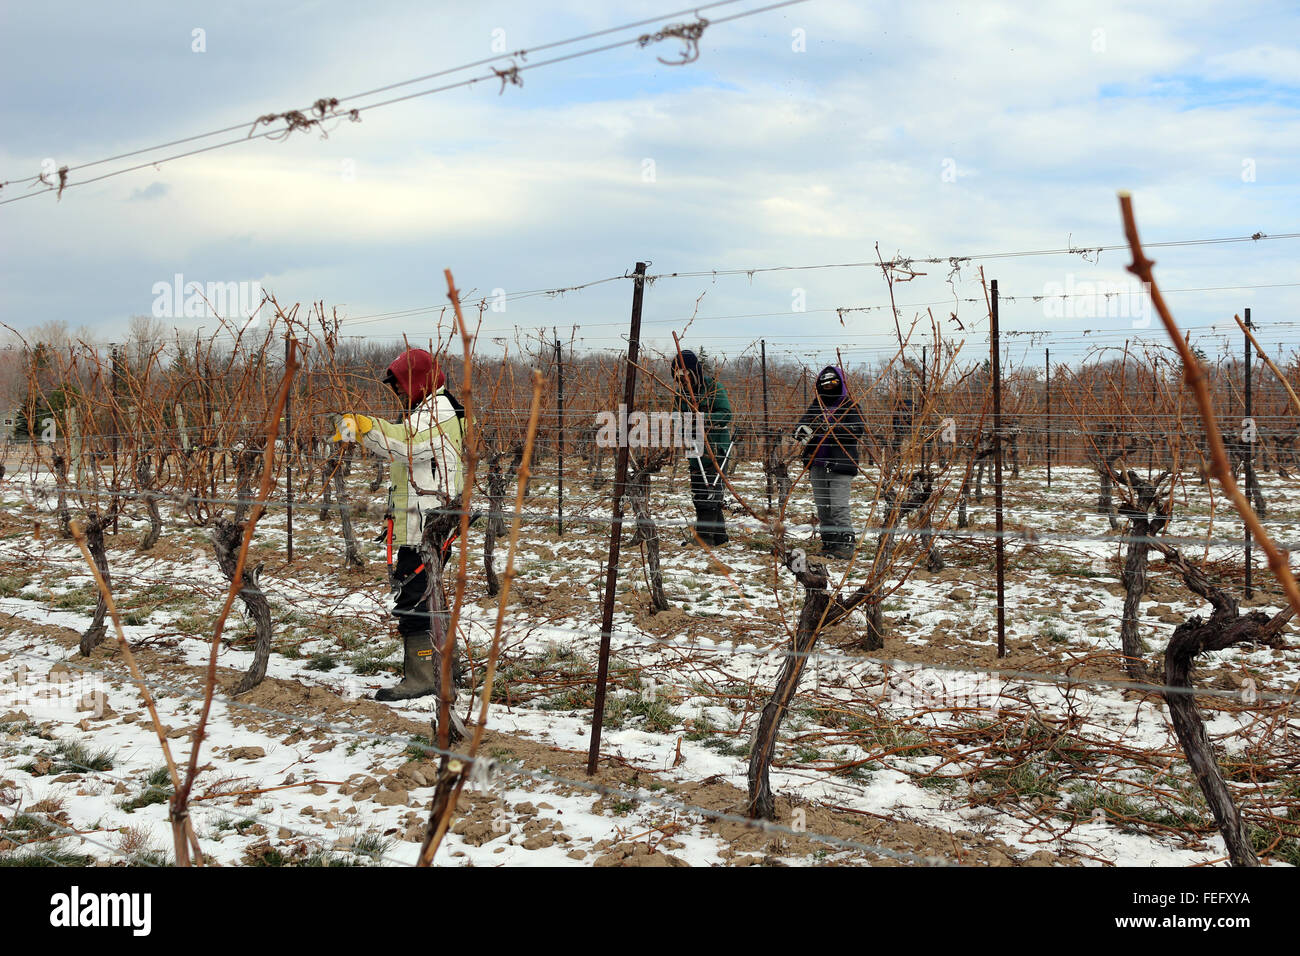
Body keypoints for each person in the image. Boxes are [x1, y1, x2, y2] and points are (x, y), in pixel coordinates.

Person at [330, 348, 466, 724]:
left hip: (426, 521)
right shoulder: (431, 409)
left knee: (414, 596)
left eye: (400, 386)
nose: (398, 395)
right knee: (426, 592)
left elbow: (407, 445)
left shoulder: (435, 412)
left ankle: (423, 677)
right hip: (422, 520)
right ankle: (444, 668)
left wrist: (364, 426)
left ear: (417, 380)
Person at [794, 365, 864, 559]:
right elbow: (803, 423)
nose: (828, 386)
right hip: (817, 464)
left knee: (839, 506)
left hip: (840, 465)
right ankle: (829, 543)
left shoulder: (849, 406)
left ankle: (845, 545)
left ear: (840, 383)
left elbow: (857, 430)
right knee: (823, 507)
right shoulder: (817, 405)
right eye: (824, 383)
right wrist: (800, 431)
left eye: (833, 382)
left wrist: (831, 428)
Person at [672, 349, 732, 546]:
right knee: (701, 491)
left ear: (694, 371)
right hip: (694, 449)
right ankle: (719, 537)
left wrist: (701, 419)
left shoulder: (713, 388)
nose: (681, 379)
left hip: (716, 449)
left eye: (684, 374)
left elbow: (725, 415)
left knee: (708, 493)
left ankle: (704, 539)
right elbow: (677, 420)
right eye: (677, 376)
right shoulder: (681, 395)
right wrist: (685, 427)